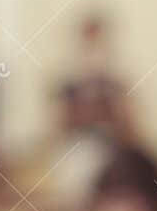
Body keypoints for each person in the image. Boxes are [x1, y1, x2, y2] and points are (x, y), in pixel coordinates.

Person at [56, 10, 132, 138]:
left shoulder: (116, 87)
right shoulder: (68, 89)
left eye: (97, 46)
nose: (93, 55)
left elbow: (127, 125)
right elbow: (59, 127)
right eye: (89, 47)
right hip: (76, 142)